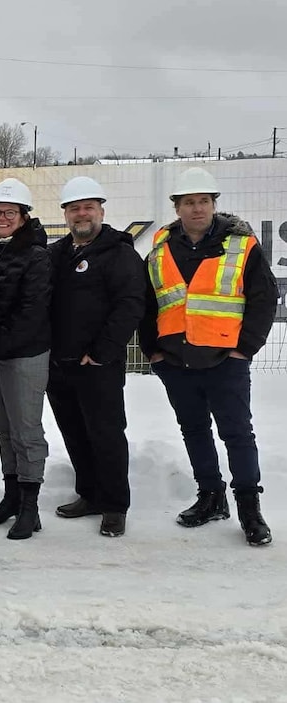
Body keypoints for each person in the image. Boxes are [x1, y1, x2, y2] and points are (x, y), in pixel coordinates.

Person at [139, 167, 276, 546]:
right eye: (189, 202)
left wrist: (244, 350)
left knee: (237, 434)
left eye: (203, 201)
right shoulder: (161, 249)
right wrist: (153, 352)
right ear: (177, 208)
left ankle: (249, 509)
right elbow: (147, 304)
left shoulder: (242, 246)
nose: (197, 208)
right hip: (176, 363)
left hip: (225, 362)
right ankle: (211, 496)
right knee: (194, 430)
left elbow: (264, 299)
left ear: (214, 205)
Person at [46, 177, 145, 538]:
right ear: (66, 214)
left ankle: (115, 506)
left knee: (106, 435)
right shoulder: (56, 254)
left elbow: (130, 305)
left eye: (88, 207)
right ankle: (89, 494)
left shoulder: (120, 254)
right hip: (59, 365)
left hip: (98, 365)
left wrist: (102, 351)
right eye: (75, 208)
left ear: (101, 211)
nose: (82, 214)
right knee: (74, 433)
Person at [0, 178, 52, 541]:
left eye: (10, 212)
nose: (2, 218)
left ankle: (30, 507)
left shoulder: (36, 256)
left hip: (23, 356)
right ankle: (12, 497)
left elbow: (31, 311)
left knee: (26, 431)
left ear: (23, 217)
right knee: (3, 430)